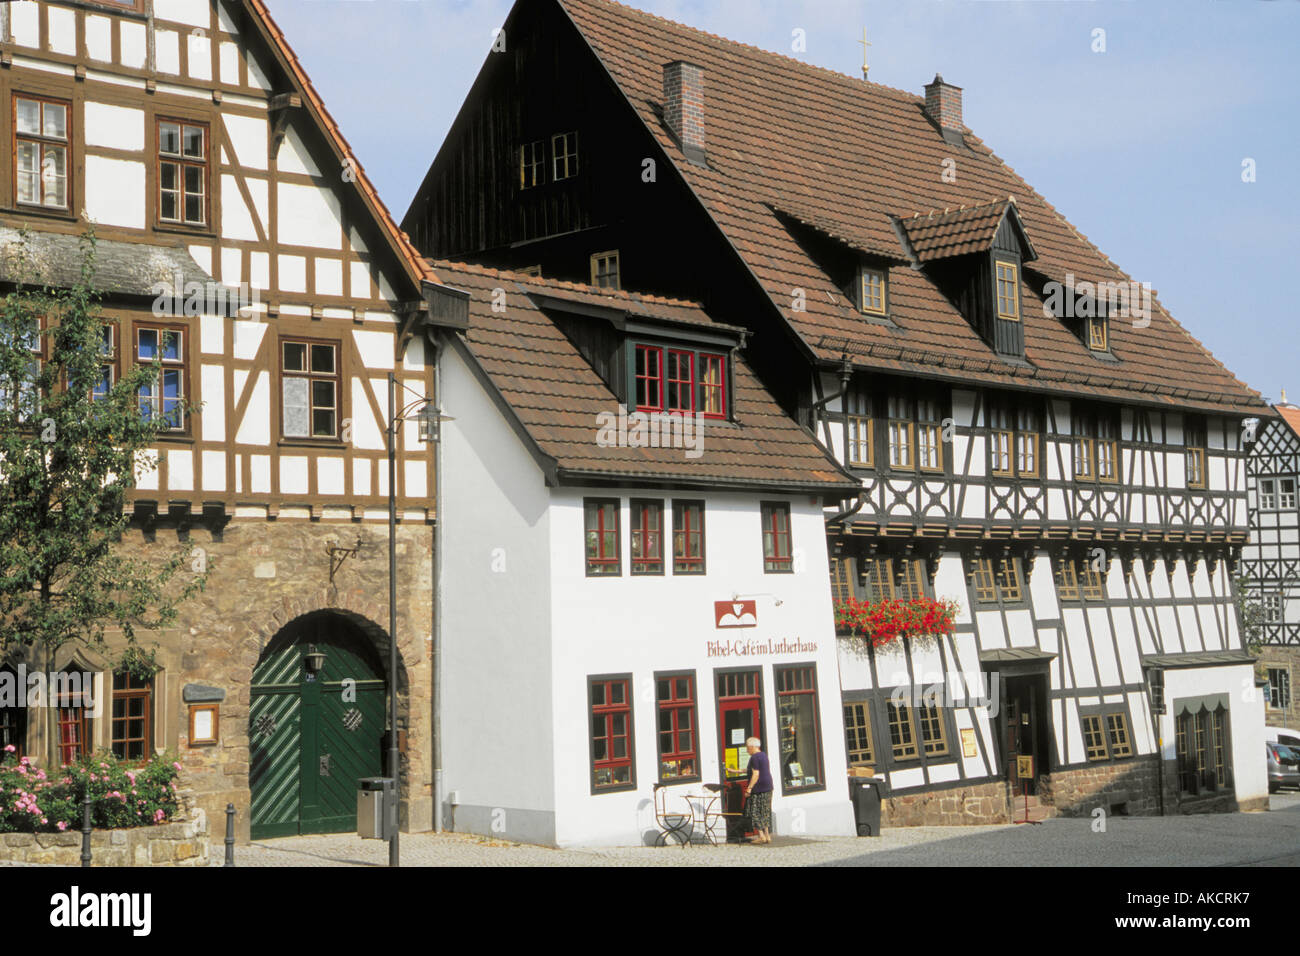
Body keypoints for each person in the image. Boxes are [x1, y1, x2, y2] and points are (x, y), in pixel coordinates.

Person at [741, 736, 773, 844]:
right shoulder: (763, 755)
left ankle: (761, 836)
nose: (746, 749)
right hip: (768, 786)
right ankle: (767, 836)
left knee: (754, 811)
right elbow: (752, 770)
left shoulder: (754, 757)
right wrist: (735, 770)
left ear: (752, 747)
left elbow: (755, 774)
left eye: (747, 747)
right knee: (765, 811)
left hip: (758, 787)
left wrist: (749, 788)